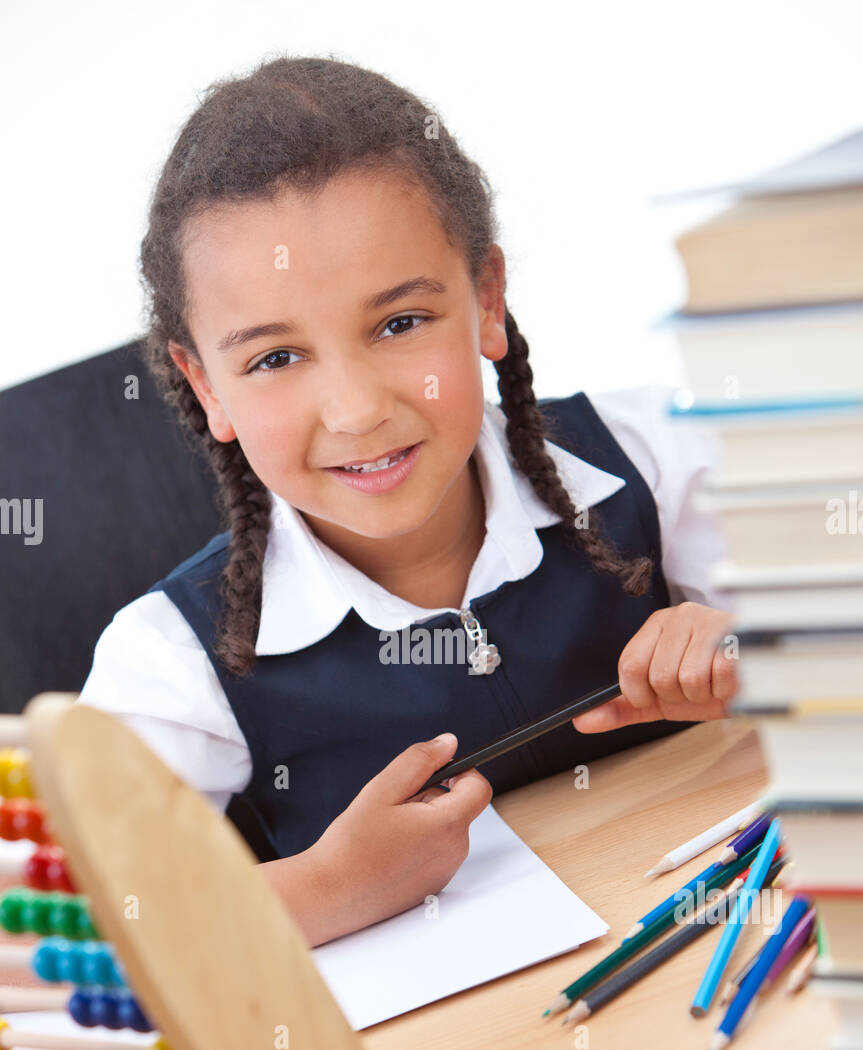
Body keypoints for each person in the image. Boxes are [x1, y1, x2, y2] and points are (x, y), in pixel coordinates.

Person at [78, 55, 735, 946]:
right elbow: (48, 946)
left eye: (399, 324)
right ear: (206, 389)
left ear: (486, 301)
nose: (356, 410)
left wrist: (767, 663)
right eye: (274, 358)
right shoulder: (171, 662)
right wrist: (322, 890)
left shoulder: (652, 461)